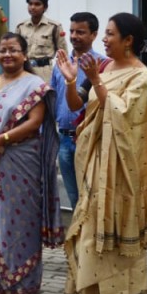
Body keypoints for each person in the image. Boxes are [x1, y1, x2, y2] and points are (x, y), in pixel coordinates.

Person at [56, 14, 147, 294]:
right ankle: (84, 290)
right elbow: (80, 106)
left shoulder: (142, 76)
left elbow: (123, 114)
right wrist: (70, 80)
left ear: (128, 40)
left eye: (110, 34)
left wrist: (98, 81)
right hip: (93, 157)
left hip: (122, 163)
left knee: (122, 221)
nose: (104, 39)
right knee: (89, 222)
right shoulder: (102, 67)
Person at [0, 33, 63, 294]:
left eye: (13, 51)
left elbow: (35, 122)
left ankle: (21, 284)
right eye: (3, 50)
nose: (7, 55)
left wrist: (2, 138)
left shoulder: (34, 85)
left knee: (18, 220)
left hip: (21, 161)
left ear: (24, 54)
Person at [49, 12, 108, 209]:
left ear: (94, 34)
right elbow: (53, 98)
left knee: (92, 196)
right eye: (72, 31)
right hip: (65, 138)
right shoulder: (60, 64)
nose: (74, 36)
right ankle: (79, 238)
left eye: (81, 32)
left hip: (90, 138)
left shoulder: (103, 65)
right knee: (74, 198)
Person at [15, 0, 67, 82]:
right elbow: (16, 50)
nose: (33, 7)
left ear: (45, 7)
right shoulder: (21, 27)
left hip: (45, 72)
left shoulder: (54, 27)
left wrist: (62, 75)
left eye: (37, 4)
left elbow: (63, 54)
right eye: (30, 4)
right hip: (24, 70)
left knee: (44, 96)